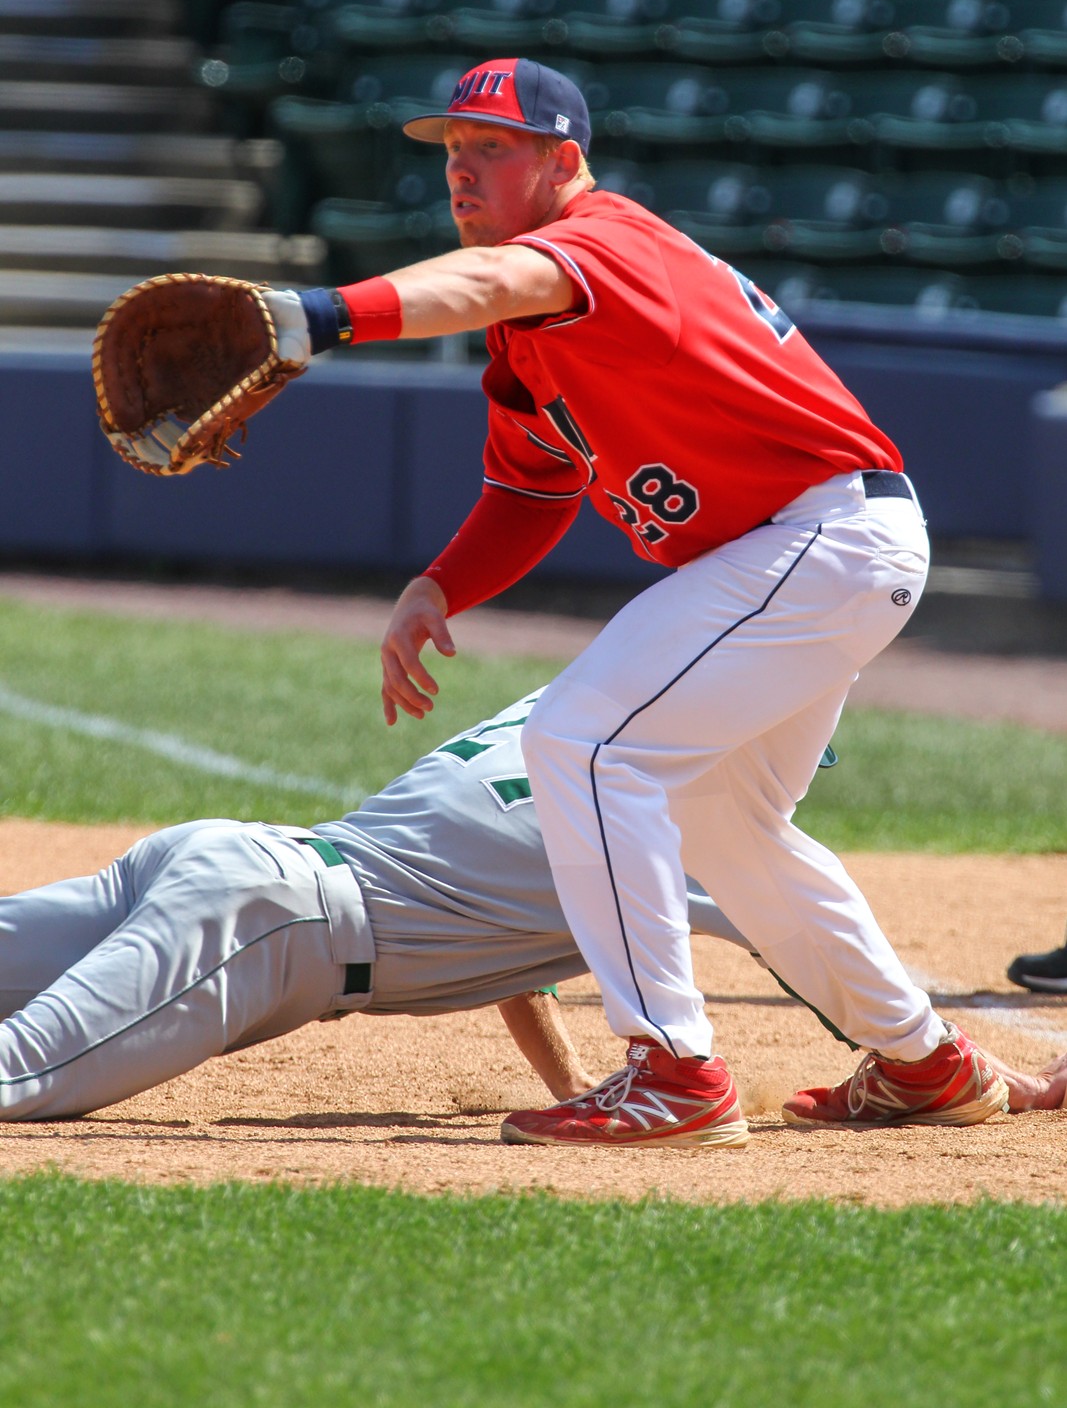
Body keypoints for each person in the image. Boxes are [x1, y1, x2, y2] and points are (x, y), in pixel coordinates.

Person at [263, 56, 1011, 1145]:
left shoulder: (597, 241)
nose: (461, 173)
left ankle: (672, 1068)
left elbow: (476, 285)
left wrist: (318, 312)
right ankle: (923, 1062)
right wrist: (438, 585)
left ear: (564, 162)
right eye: (452, 154)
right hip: (807, 553)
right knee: (723, 820)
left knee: (582, 743)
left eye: (491, 150)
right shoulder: (535, 320)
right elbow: (531, 486)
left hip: (817, 537)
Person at [2, 687, 1061, 1128]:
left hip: (220, 859)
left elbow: (536, 953)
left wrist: (570, 1083)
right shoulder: (697, 814)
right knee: (23, 1079)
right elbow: (829, 961)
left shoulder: (572, 720)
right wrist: (997, 1079)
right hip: (265, 926)